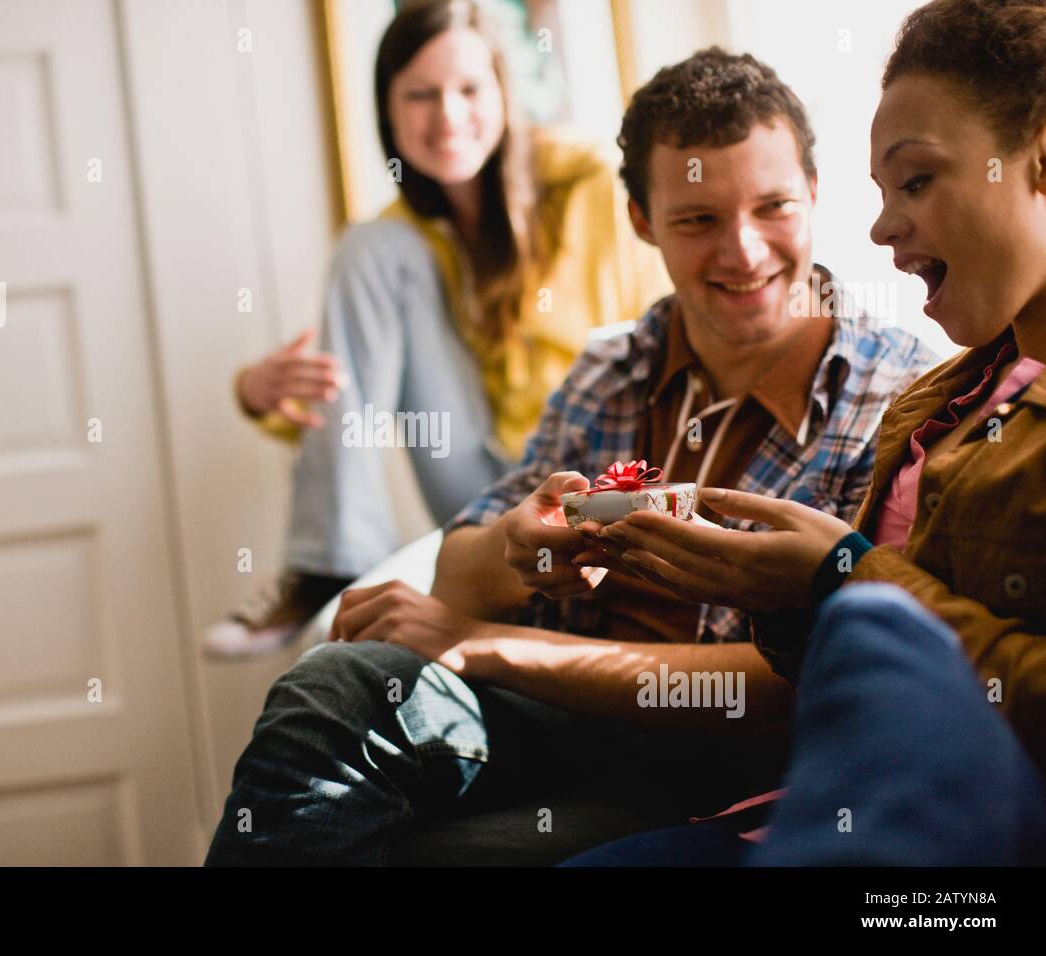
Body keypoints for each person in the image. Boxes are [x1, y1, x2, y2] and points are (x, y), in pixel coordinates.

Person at [203, 48, 939, 866]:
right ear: (639, 219)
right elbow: (461, 577)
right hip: (562, 729)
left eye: (773, 207)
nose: (743, 252)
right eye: (697, 220)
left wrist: (491, 645)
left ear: (813, 193)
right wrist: (520, 546)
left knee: (428, 850)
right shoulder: (613, 366)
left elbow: (787, 689)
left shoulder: (894, 395)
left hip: (724, 774)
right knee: (338, 684)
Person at [565, 0, 1046, 866]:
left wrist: (839, 575)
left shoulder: (884, 380)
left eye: (919, 180)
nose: (882, 227)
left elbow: (896, 655)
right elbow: (847, 680)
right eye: (882, 191)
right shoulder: (941, 399)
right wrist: (783, 596)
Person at [205, 0, 667, 657]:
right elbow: (352, 397)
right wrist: (255, 395)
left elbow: (661, 326)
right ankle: (327, 563)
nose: (447, 115)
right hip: (478, 477)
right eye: (420, 95)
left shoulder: (590, 180)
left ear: (504, 93)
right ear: (388, 113)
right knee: (370, 245)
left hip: (585, 465)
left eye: (469, 89)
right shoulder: (404, 237)